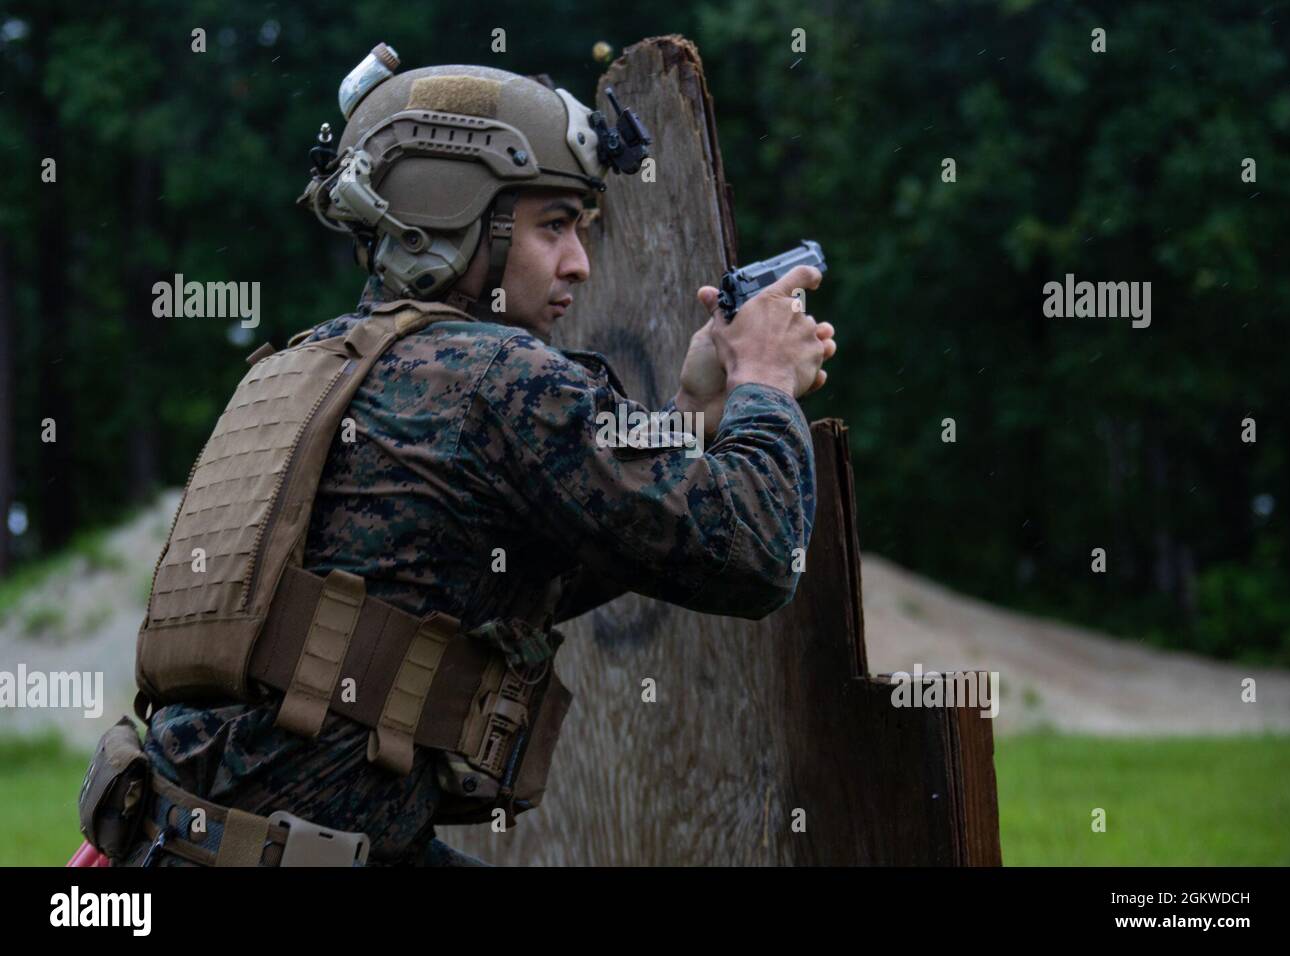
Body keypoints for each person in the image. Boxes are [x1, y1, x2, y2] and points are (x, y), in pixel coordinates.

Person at [117, 49, 836, 867]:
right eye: (553, 226)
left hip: (185, 842)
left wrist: (692, 417)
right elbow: (761, 552)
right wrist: (768, 383)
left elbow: (550, 555)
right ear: (453, 216)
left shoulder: (305, 368)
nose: (579, 263)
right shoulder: (501, 378)